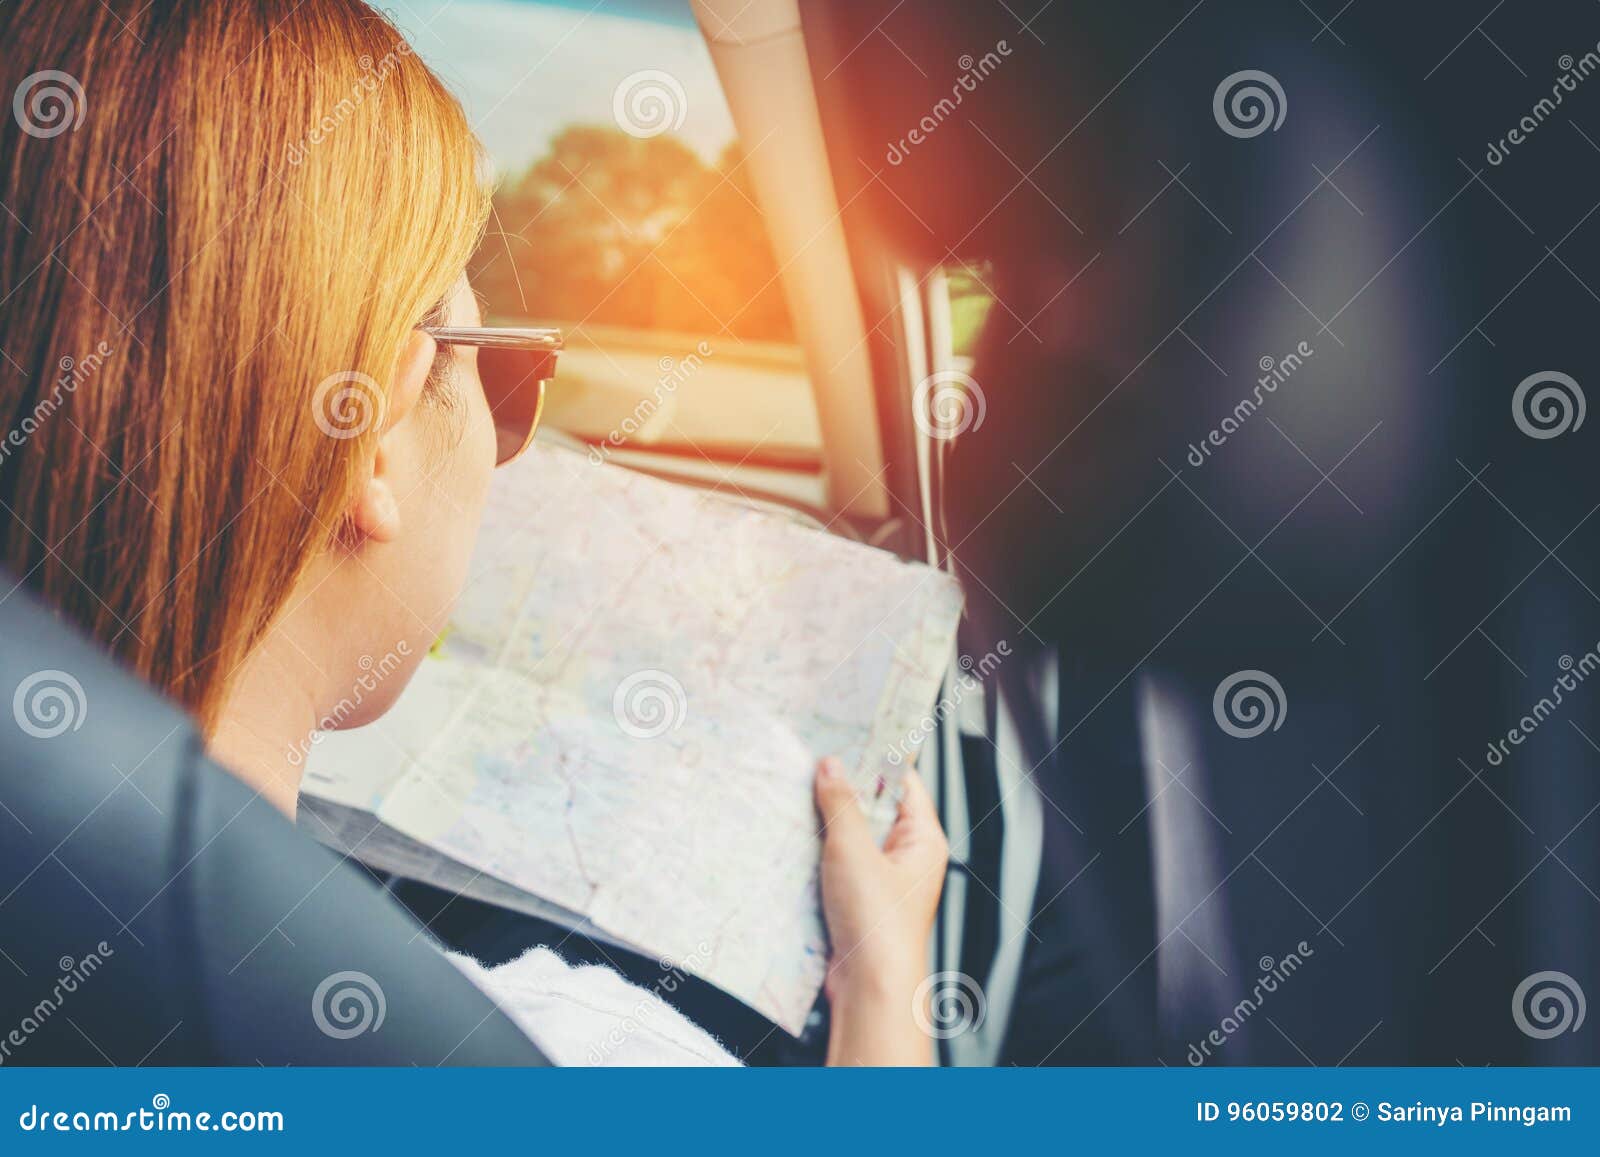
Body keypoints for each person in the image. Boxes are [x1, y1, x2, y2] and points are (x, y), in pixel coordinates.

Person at [0, 0, 945, 1066]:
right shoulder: (584, 1056)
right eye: (504, 375)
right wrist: (885, 982)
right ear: (369, 438)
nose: (509, 452)